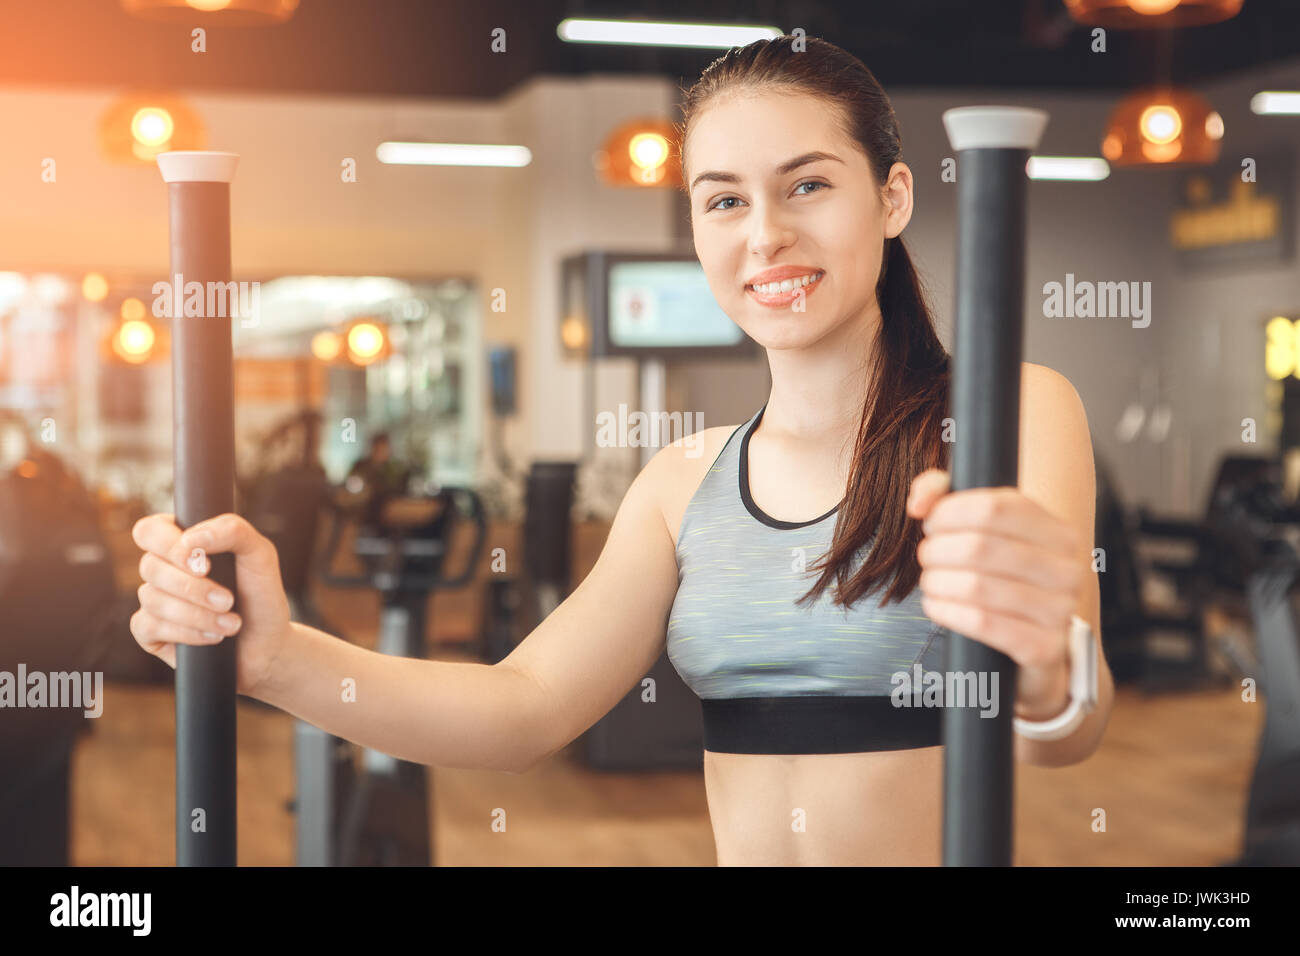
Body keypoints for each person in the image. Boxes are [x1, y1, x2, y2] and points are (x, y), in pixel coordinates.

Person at [130, 35, 1114, 866]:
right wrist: (277, 656)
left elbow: (1075, 727)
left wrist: (1038, 662)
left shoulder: (1004, 416)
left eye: (806, 184)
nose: (765, 235)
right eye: (723, 200)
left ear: (892, 196)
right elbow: (523, 707)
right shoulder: (682, 481)